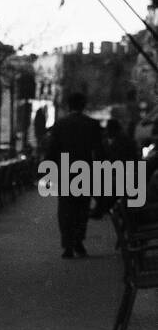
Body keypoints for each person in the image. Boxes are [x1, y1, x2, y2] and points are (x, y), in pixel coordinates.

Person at [45, 91, 102, 257]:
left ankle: (67, 244)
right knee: (82, 208)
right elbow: (98, 151)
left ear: (69, 105)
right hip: (85, 170)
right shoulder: (92, 124)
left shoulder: (60, 124)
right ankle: (78, 241)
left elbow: (52, 150)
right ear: (83, 106)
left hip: (65, 171)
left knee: (65, 209)